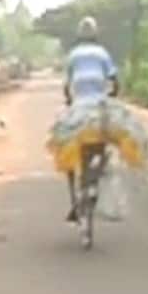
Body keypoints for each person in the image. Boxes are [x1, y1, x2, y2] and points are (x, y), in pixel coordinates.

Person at [62, 15, 119, 221]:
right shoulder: (103, 53)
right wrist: (110, 96)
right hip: (99, 108)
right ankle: (99, 173)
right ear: (96, 35)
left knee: (64, 151)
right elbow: (114, 82)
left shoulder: (73, 55)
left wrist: (70, 100)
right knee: (109, 143)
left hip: (78, 109)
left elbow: (66, 87)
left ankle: (74, 203)